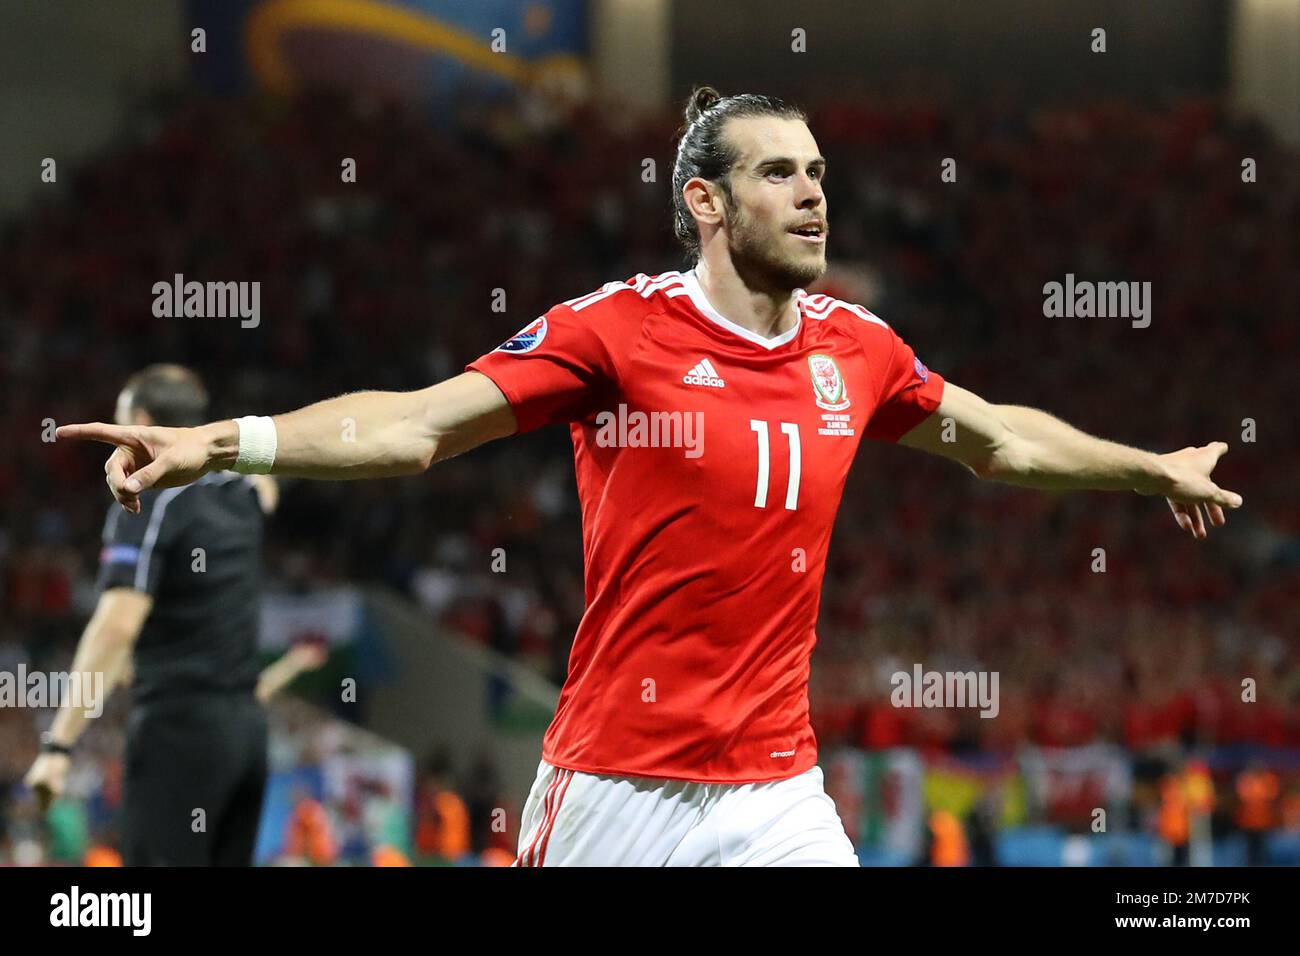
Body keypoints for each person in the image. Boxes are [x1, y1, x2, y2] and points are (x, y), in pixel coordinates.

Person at [54, 88, 1242, 866]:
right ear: (706, 201)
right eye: (779, 172)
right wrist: (221, 440)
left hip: (778, 787)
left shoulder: (855, 349)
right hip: (619, 784)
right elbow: (414, 427)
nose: (814, 191)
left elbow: (998, 439)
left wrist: (1145, 469)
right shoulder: (616, 331)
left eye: (819, 169)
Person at [25, 364, 300, 865]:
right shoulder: (245, 492)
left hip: (180, 733)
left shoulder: (148, 500)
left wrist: (58, 747)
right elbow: (270, 478)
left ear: (142, 422)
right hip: (247, 734)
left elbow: (116, 626)